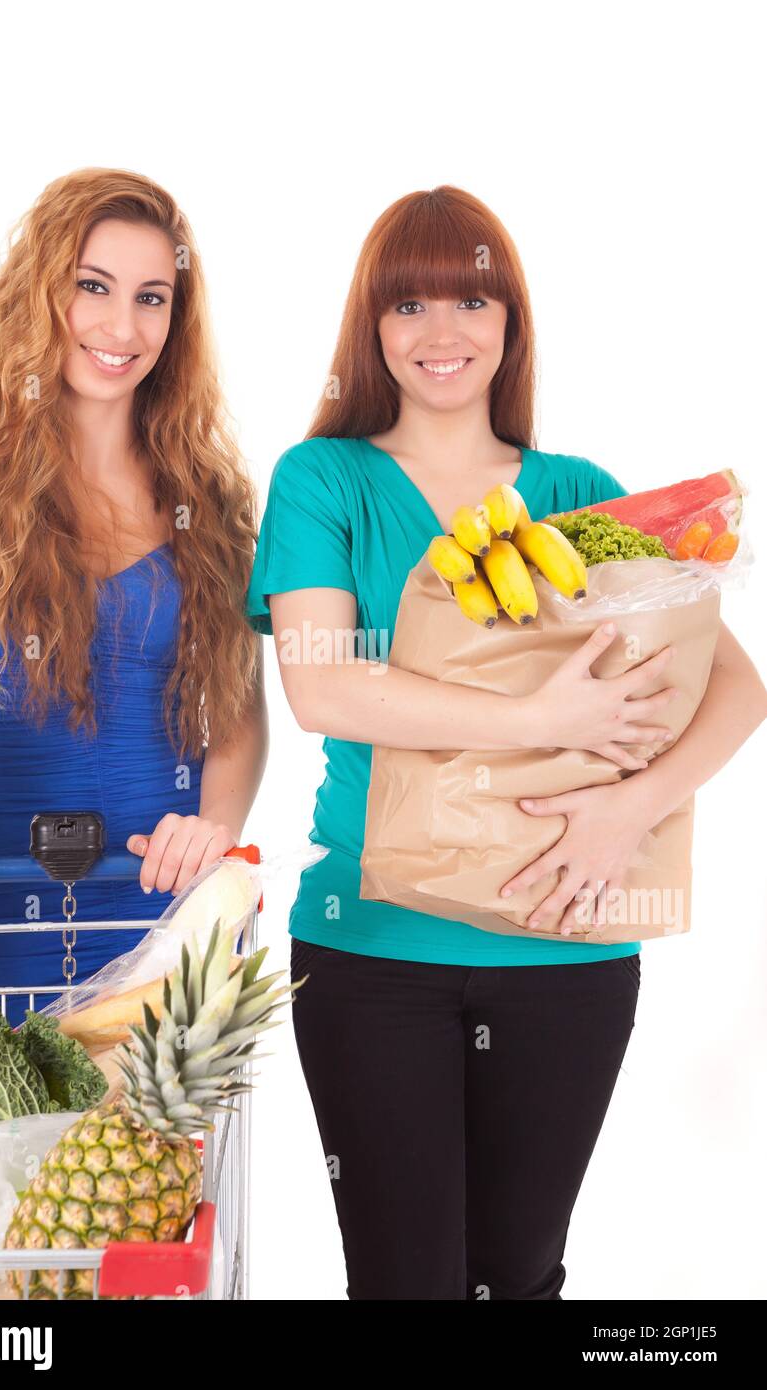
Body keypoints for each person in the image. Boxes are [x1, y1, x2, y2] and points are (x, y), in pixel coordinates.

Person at [245, 185, 767, 1299]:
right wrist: (540, 720)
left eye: (470, 301)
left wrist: (630, 805)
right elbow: (323, 688)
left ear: (509, 321)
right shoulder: (321, 479)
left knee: (518, 1281)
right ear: (370, 329)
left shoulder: (578, 494)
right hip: (370, 948)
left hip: (566, 950)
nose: (441, 334)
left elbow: (734, 685)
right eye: (410, 305)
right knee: (403, 1283)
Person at [0, 168, 267, 1025]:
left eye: (153, 297)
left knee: (161, 1163)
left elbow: (241, 722)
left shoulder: (208, 498)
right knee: (4, 1152)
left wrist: (212, 825)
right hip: (1, 895)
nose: (122, 326)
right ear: (41, 292)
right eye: (91, 287)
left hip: (170, 907)